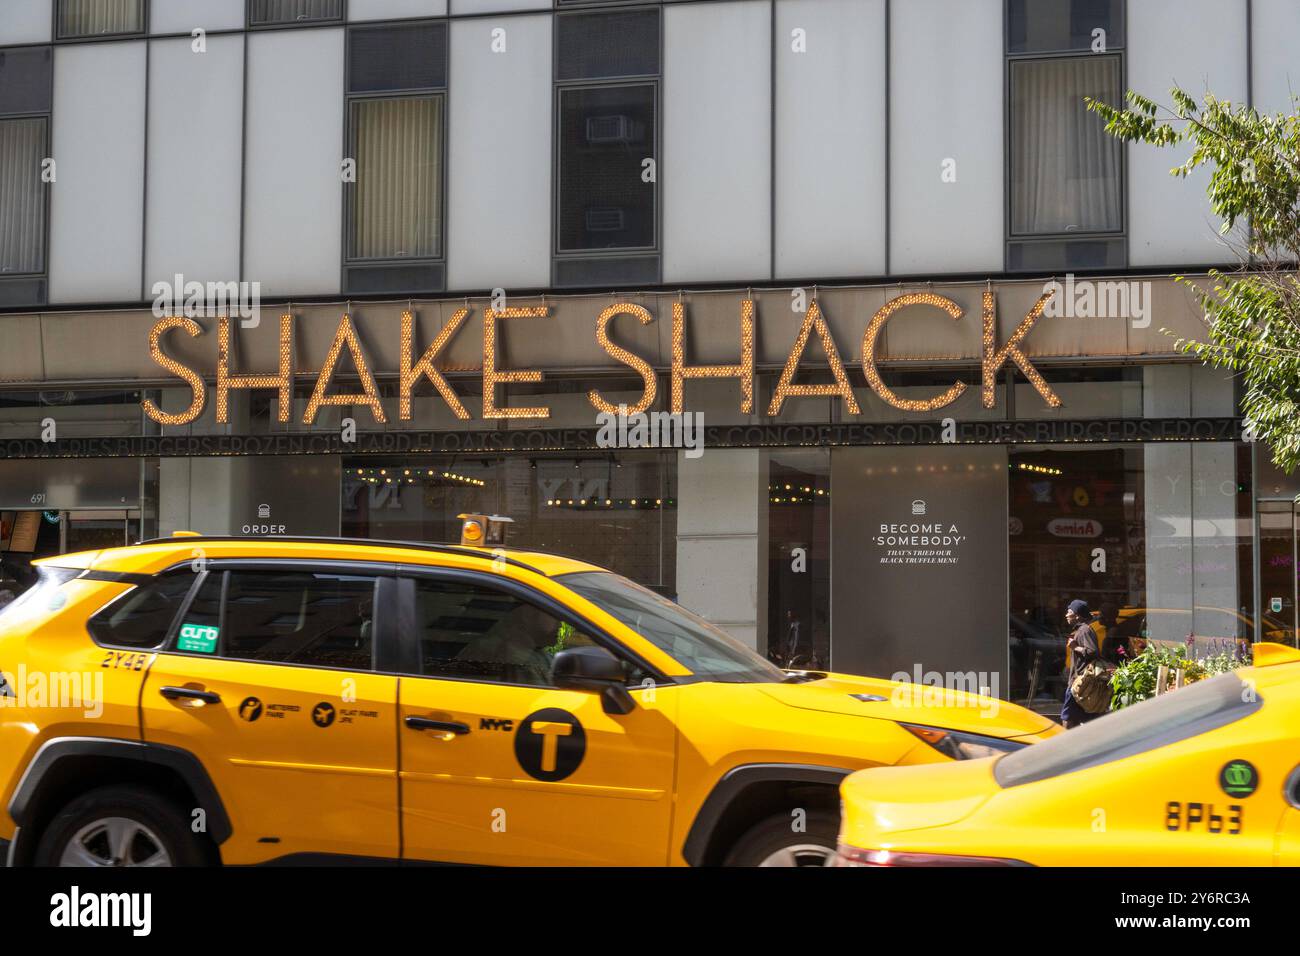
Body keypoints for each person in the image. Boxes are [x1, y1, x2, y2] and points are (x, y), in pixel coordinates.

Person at [1062, 599, 1103, 729]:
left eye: (1069, 612)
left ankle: (1064, 745)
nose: (1066, 615)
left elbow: (1093, 652)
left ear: (1077, 615)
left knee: (1067, 718)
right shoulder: (1081, 630)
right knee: (1085, 718)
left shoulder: (1085, 630)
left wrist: (1075, 647)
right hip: (1079, 681)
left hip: (1079, 682)